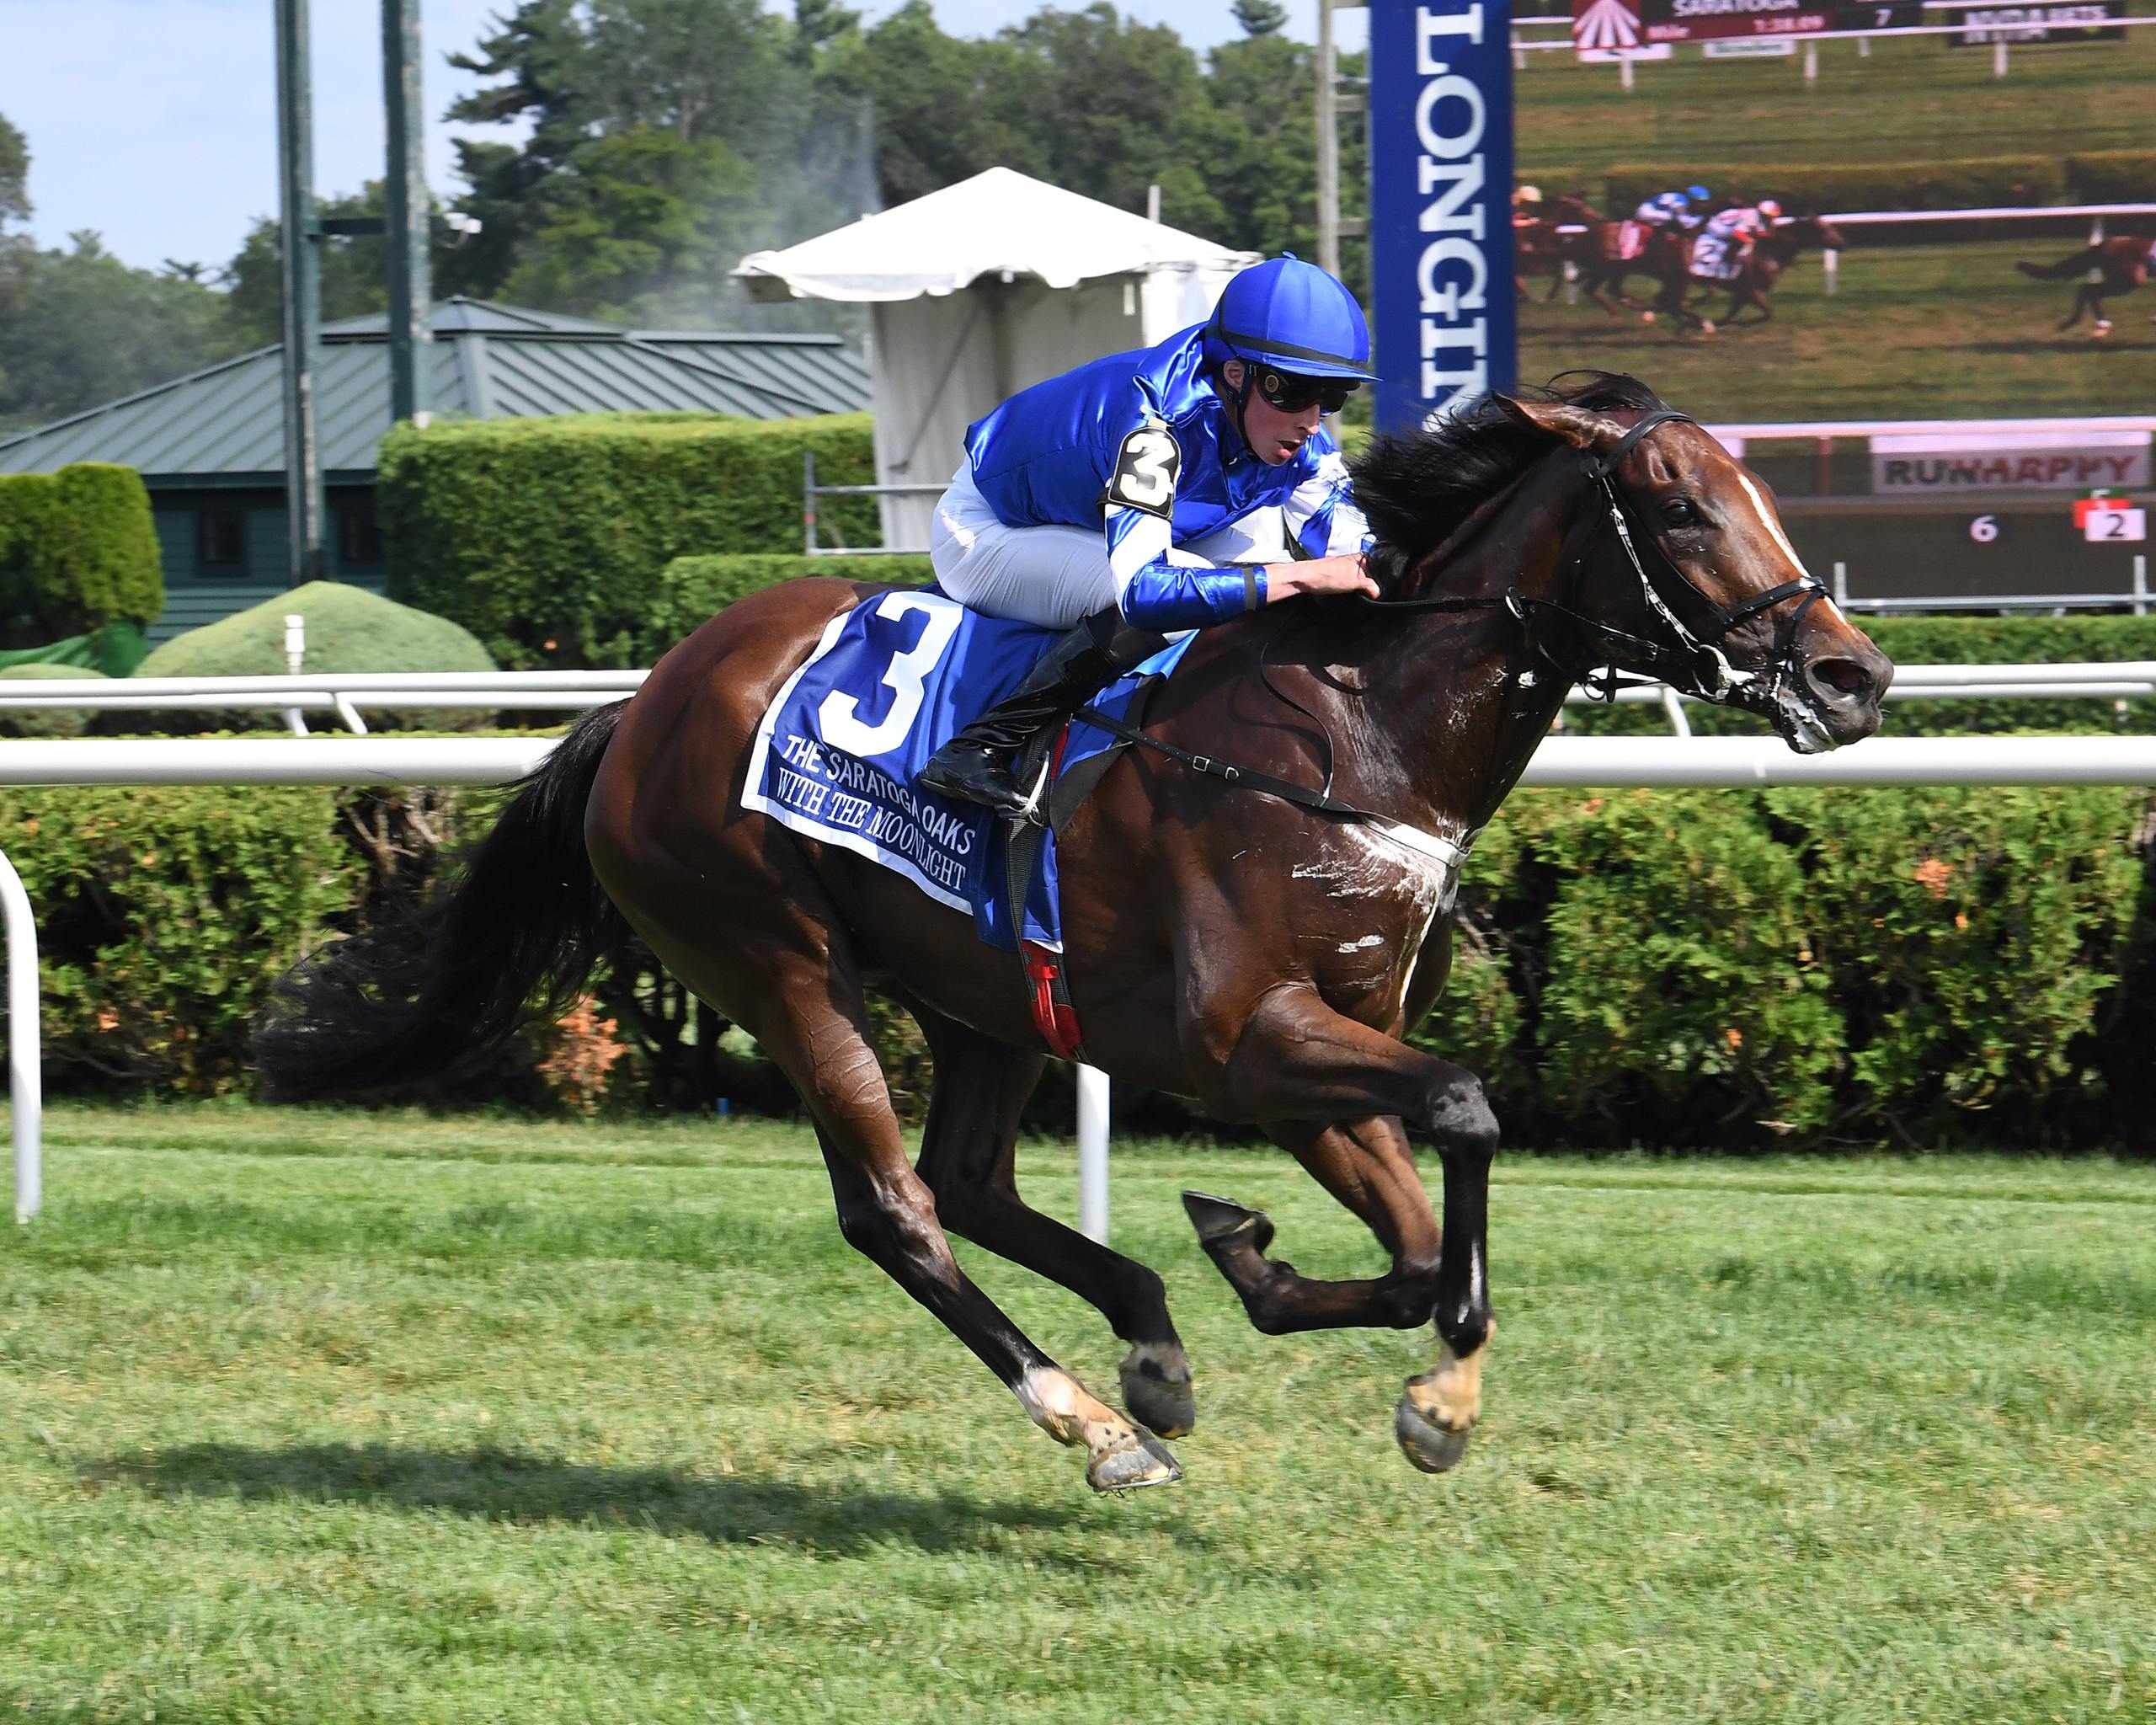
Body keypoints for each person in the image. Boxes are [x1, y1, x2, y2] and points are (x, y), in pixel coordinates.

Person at [916, 254, 1381, 818]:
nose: (1311, 420)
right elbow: (1143, 593)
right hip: (988, 529)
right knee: (1211, 595)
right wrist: (1300, 573)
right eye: (1295, 392)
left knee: (1263, 577)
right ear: (1236, 375)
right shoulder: (1153, 426)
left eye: (1331, 397)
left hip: (1108, 518)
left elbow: (1360, 555)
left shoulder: (1298, 438)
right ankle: (980, 745)